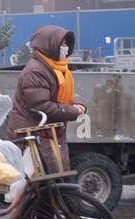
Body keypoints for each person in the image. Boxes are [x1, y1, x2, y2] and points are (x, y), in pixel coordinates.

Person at [6, 25, 87, 172]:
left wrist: (74, 107)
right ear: (49, 44)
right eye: (62, 44)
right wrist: (73, 111)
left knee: (51, 185)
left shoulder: (56, 68)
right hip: (31, 135)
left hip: (44, 135)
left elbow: (57, 101)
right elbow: (41, 106)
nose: (66, 48)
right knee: (36, 185)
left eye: (67, 44)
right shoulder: (36, 71)